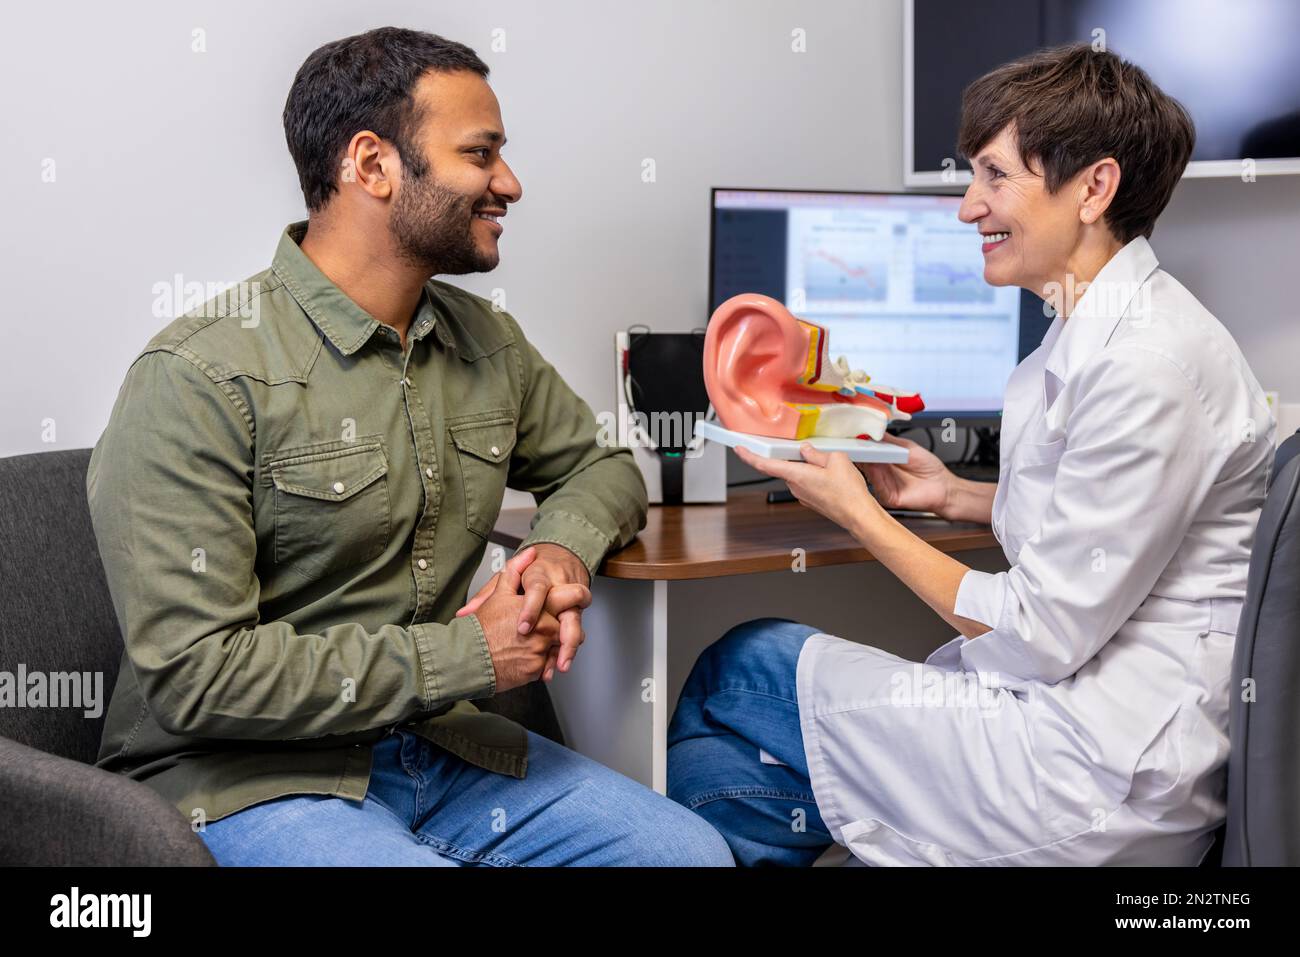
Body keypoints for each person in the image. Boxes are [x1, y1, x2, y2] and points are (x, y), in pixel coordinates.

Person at [88, 27, 732, 867]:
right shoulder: (198, 376)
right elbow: (199, 677)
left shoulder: (484, 341)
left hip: (443, 751)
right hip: (244, 778)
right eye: (480, 154)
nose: (509, 183)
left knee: (690, 855)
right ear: (372, 163)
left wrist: (556, 551)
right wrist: (470, 654)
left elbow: (600, 466)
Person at [667, 43, 1276, 866]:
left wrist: (855, 513)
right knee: (738, 770)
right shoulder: (1104, 327)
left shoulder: (1148, 365)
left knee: (740, 673)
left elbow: (1039, 633)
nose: (967, 207)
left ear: (1094, 188)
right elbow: (1108, 536)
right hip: (1089, 716)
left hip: (1102, 770)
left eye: (994, 176)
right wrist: (954, 494)